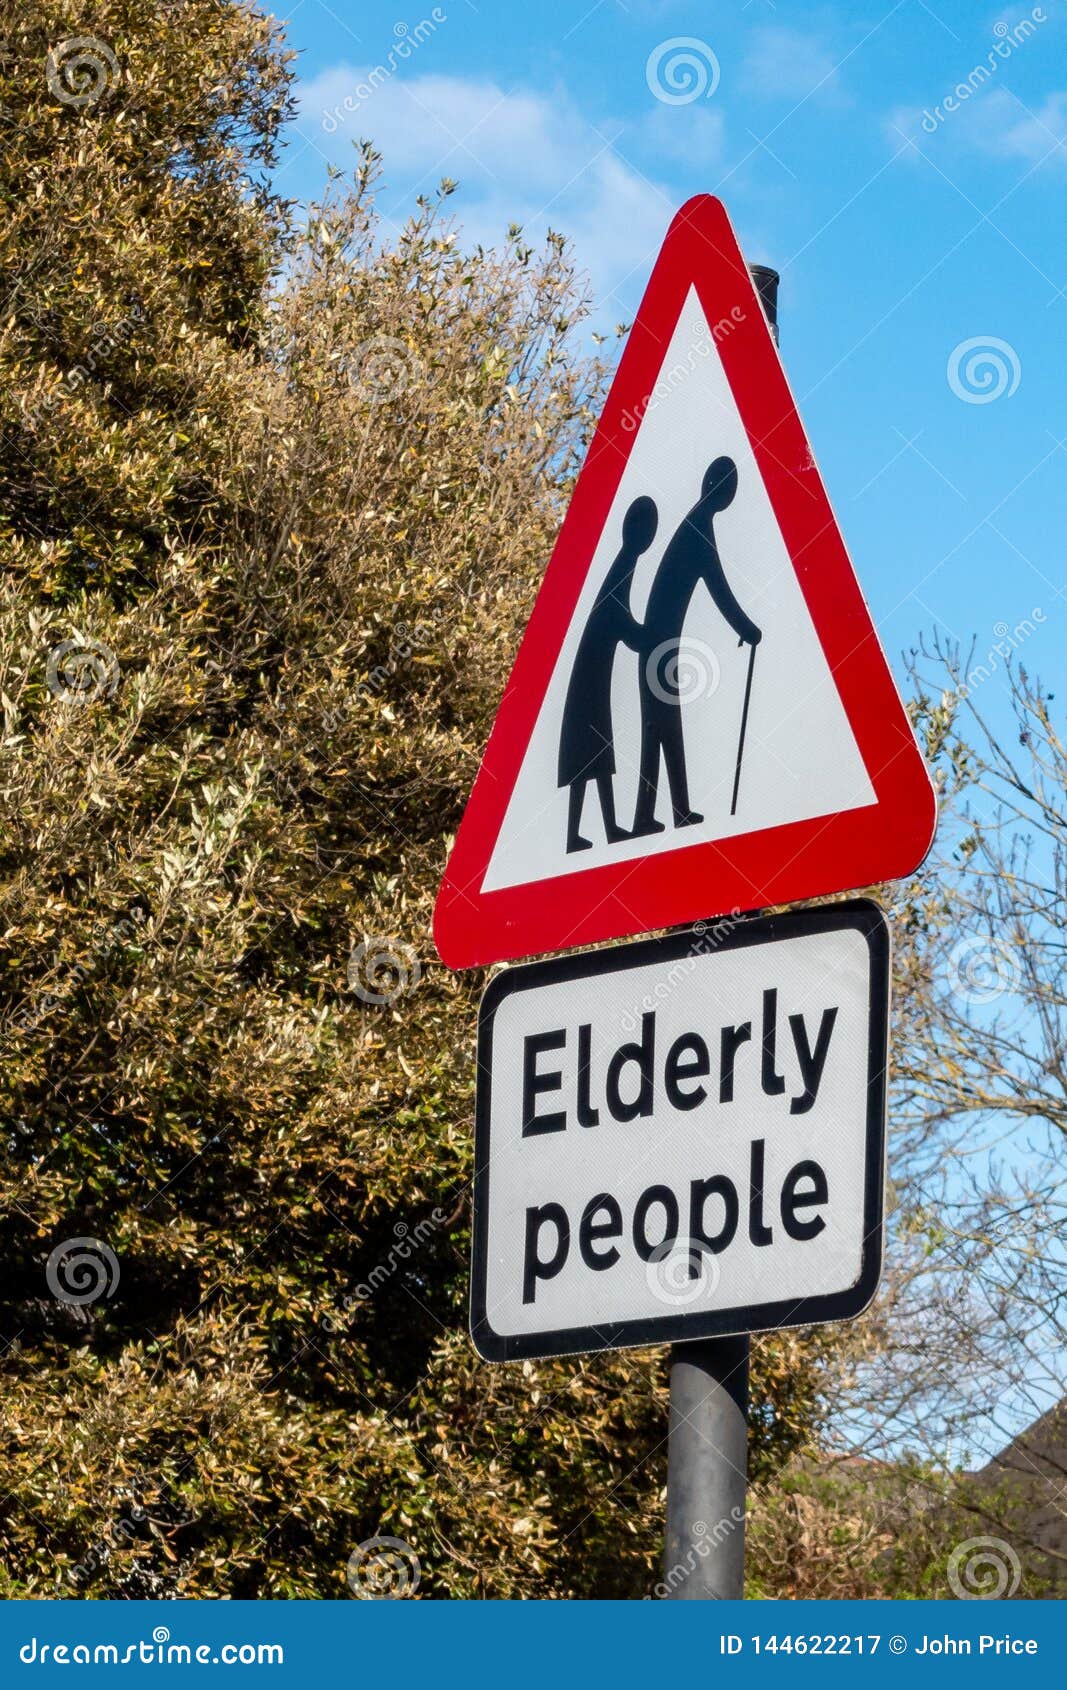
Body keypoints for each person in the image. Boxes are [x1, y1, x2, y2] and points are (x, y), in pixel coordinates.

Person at [631, 457, 761, 837]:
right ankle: (668, 811)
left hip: (660, 644)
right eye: (727, 488)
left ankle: (664, 811)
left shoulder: (694, 524)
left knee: (661, 729)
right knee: (662, 728)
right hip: (659, 645)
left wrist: (745, 628)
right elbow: (719, 588)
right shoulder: (699, 530)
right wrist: (748, 629)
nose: (728, 496)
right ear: (714, 487)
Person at [558, 495, 659, 852]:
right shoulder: (624, 565)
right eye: (648, 529)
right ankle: (580, 833)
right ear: (635, 531)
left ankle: (607, 828)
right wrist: (649, 636)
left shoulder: (624, 563)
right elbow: (618, 619)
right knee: (589, 757)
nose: (649, 536)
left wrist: (640, 635)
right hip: (590, 678)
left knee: (596, 757)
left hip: (595, 676)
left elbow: (618, 620)